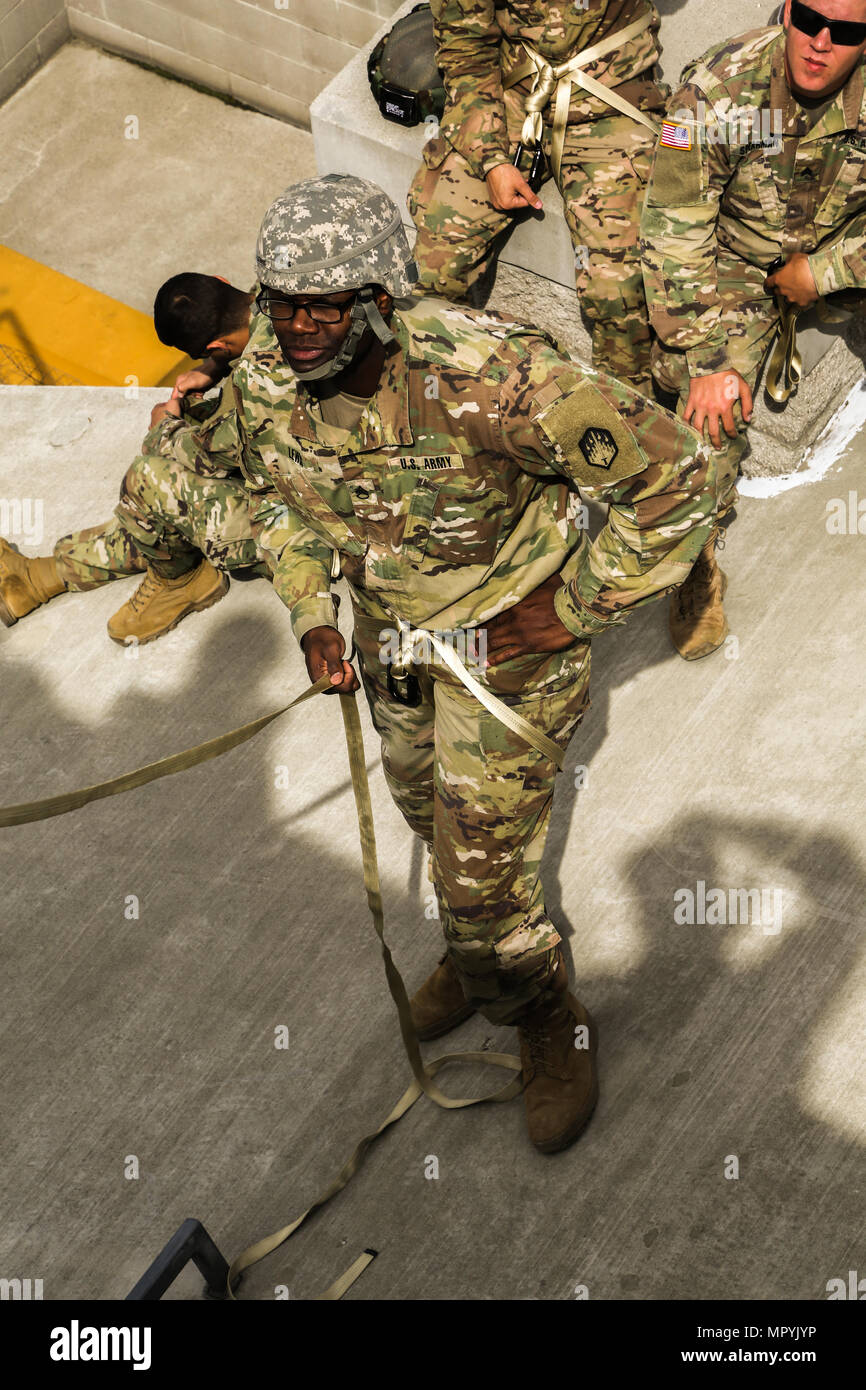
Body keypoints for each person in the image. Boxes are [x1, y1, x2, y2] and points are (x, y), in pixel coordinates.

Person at [223, 174, 716, 1153]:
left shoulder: (494, 376)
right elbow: (279, 499)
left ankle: (540, 1013)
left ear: (377, 300)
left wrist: (573, 606)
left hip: (507, 655)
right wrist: (313, 610)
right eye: (284, 303)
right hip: (389, 649)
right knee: (423, 817)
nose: (300, 327)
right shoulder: (267, 383)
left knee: (482, 879)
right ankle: (472, 945)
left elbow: (670, 480)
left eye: (325, 303)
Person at [641, 0, 866, 659]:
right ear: (788, 10)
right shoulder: (715, 91)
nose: (820, 43)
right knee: (703, 412)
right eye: (808, 19)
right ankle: (697, 566)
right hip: (737, 264)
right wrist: (707, 360)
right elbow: (673, 231)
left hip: (839, 250)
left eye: (846, 31)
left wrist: (823, 272)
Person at [408, 0, 667, 393]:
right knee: (434, 268)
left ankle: (629, 426)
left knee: (620, 292)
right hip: (514, 88)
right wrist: (492, 160)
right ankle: (429, 405)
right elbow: (465, 48)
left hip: (613, 92)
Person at [0, 275, 258, 643]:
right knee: (164, 491)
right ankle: (35, 579)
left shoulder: (263, 381)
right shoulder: (281, 298)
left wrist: (163, 428)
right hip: (301, 467)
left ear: (216, 343)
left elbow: (210, 457)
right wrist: (216, 366)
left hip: (294, 523)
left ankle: (181, 582)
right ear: (222, 282)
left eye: (208, 352)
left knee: (150, 480)